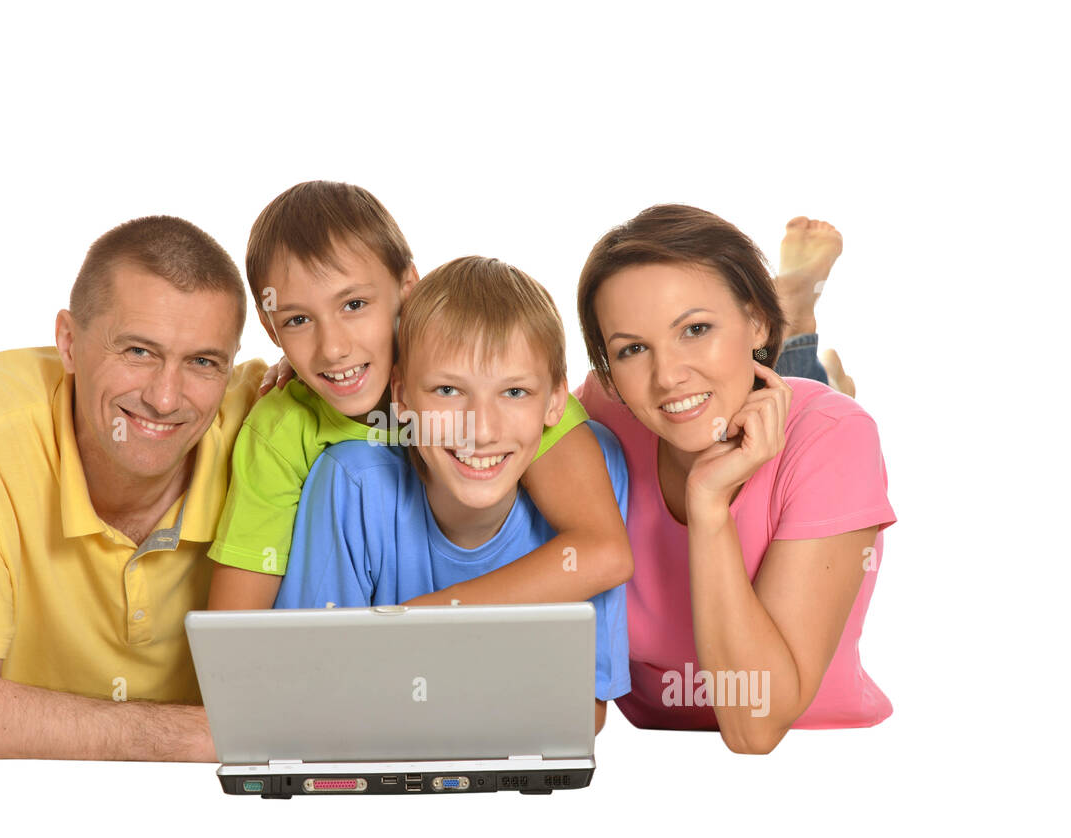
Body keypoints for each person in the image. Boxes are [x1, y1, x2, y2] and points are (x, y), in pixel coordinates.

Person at [0, 216, 267, 761]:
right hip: (0, 663)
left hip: (170, 696)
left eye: (203, 362)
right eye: (138, 352)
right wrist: (209, 734)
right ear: (69, 343)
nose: (166, 399)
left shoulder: (267, 423)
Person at [206, 181, 633, 611]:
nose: (332, 348)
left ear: (408, 286)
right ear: (269, 327)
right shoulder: (283, 428)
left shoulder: (499, 383)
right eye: (298, 319)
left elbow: (603, 552)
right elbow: (235, 627)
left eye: (354, 305)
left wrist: (421, 620)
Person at [575, 205, 896, 754]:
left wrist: (708, 505)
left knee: (820, 417)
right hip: (662, 742)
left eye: (695, 329)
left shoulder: (835, 439)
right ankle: (796, 338)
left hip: (814, 747)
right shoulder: (605, 410)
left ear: (756, 323)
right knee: (752, 399)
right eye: (631, 349)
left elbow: (753, 730)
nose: (667, 375)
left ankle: (796, 317)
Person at [274, 257, 631, 731]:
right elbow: (309, 688)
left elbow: (582, 713)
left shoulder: (598, 470)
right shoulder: (350, 484)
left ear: (555, 402)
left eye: (515, 392)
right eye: (447, 390)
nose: (480, 431)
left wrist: (411, 628)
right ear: (399, 397)